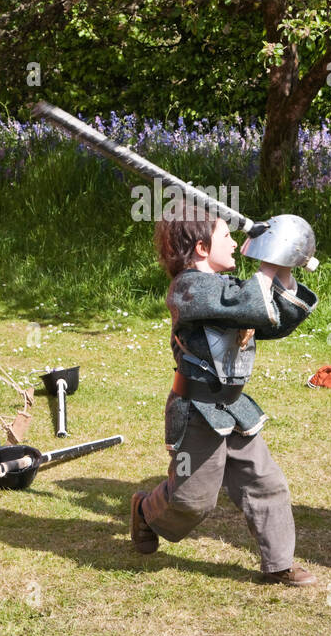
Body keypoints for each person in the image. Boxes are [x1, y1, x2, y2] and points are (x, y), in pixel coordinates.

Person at [131, 201, 319, 586]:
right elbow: (240, 304)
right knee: (192, 500)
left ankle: (279, 564)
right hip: (198, 411)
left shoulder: (230, 289)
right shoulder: (188, 288)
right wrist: (266, 270)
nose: (235, 244)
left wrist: (282, 274)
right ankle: (145, 511)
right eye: (226, 237)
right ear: (201, 248)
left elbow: (273, 320)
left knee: (266, 484)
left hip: (235, 410)